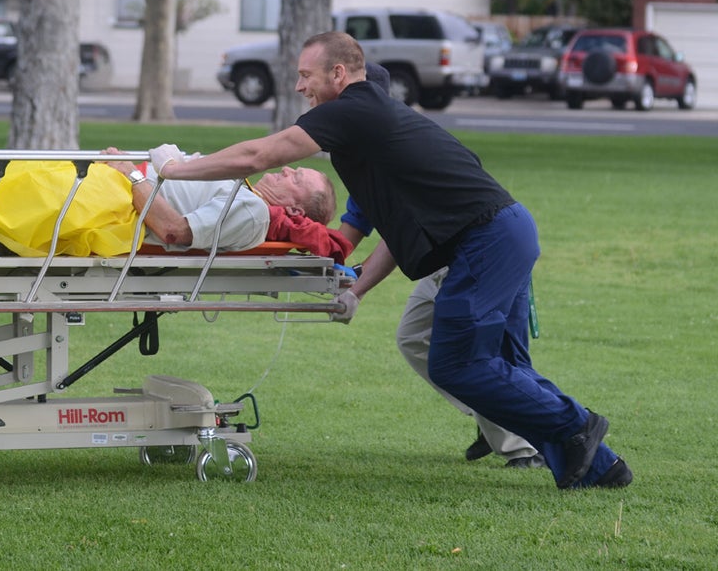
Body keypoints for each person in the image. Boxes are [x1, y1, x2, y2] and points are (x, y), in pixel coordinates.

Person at [148, 30, 630, 490]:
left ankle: (578, 423)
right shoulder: (373, 139)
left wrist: (174, 170)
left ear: (339, 74)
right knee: (502, 365)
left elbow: (260, 155)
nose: (299, 87)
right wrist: (352, 287)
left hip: (488, 240)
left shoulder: (353, 111)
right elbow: (384, 234)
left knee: (457, 365)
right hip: (500, 234)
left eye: (306, 76)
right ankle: (600, 470)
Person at [341, 64, 543, 469]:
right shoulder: (366, 157)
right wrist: (319, 266)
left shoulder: (407, 149)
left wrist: (356, 291)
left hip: (487, 255)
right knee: (414, 337)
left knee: (502, 356)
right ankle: (492, 418)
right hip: (445, 263)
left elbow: (399, 239)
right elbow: (351, 231)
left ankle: (527, 445)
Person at [101, 149, 350, 260]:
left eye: (296, 178)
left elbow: (172, 230)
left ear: (295, 210)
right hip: (108, 188)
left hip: (109, 201)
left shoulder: (254, 212)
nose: (285, 169)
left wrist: (131, 174)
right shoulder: (243, 192)